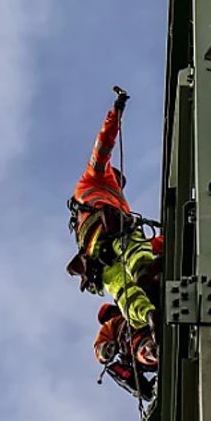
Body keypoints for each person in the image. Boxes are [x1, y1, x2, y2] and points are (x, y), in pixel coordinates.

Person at [66, 87, 160, 356]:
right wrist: (116, 112)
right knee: (135, 249)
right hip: (110, 229)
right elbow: (103, 145)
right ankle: (143, 271)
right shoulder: (95, 178)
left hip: (96, 256)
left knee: (122, 289)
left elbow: (154, 244)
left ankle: (147, 315)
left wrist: (169, 240)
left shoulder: (91, 206)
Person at [94, 303, 157, 401]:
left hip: (146, 334)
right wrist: (107, 349)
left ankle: (155, 351)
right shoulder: (114, 327)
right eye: (111, 313)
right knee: (115, 369)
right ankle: (149, 392)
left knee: (145, 351)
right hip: (138, 352)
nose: (114, 314)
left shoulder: (125, 314)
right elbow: (100, 348)